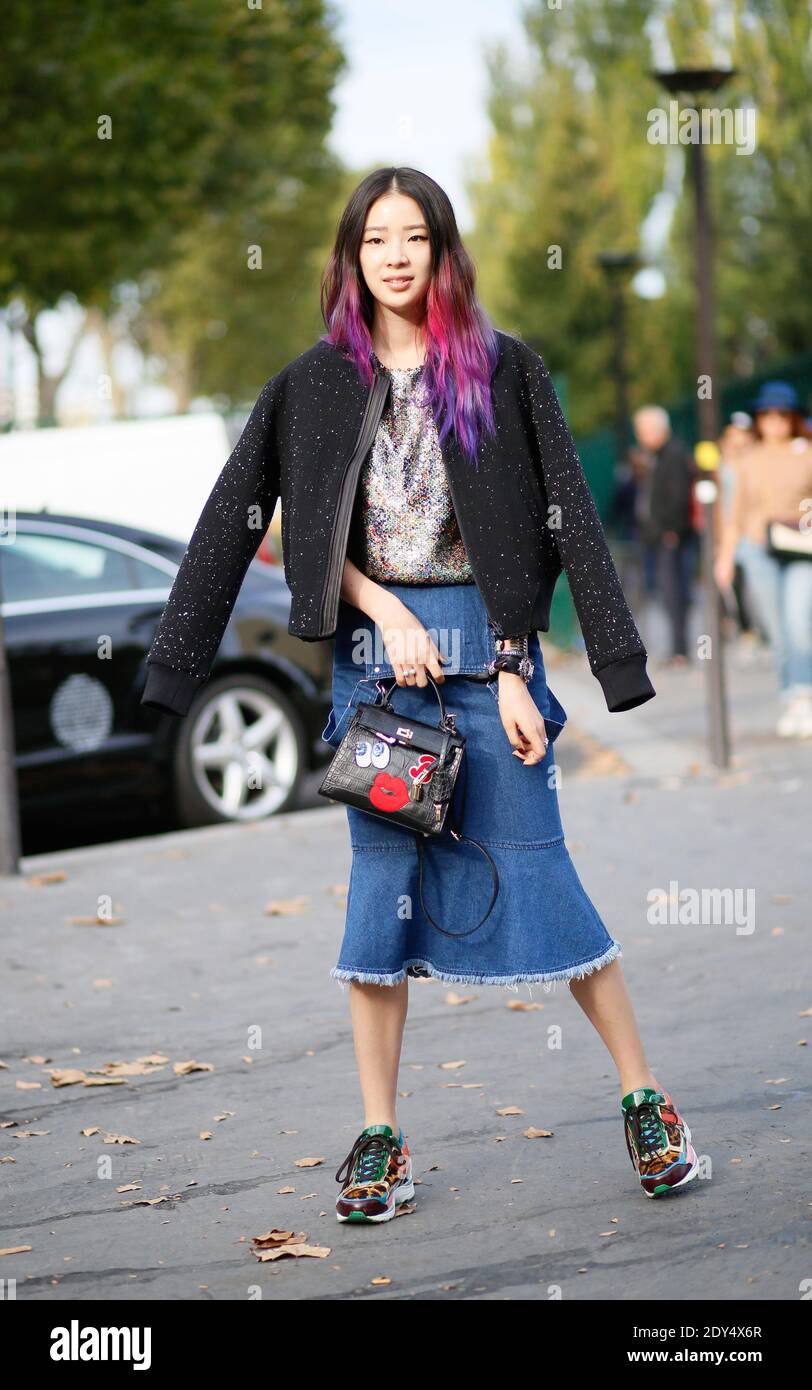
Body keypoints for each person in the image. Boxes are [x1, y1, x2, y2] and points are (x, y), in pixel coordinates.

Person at [141, 167, 699, 1219]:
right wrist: (342, 618)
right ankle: (379, 1135)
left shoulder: (502, 371)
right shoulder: (308, 386)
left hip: (489, 665)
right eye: (374, 240)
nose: (394, 256)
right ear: (350, 258)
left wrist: (531, 667)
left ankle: (643, 1097)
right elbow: (252, 518)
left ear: (443, 252)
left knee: (543, 876)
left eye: (414, 237)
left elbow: (565, 515)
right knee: (377, 906)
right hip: (373, 671)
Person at [714, 381, 812, 738]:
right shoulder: (746, 460)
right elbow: (733, 513)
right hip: (758, 548)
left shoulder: (807, 452)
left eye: (781, 413)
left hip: (801, 547)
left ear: (792, 417)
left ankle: (804, 695)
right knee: (778, 629)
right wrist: (725, 557)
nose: (774, 420)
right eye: (767, 413)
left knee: (799, 620)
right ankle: (791, 696)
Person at [631, 405, 698, 666]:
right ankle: (676, 647)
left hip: (671, 536)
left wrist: (672, 530)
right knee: (665, 592)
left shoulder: (674, 455)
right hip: (658, 536)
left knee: (675, 592)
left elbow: (679, 497)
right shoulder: (655, 457)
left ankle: (680, 649)